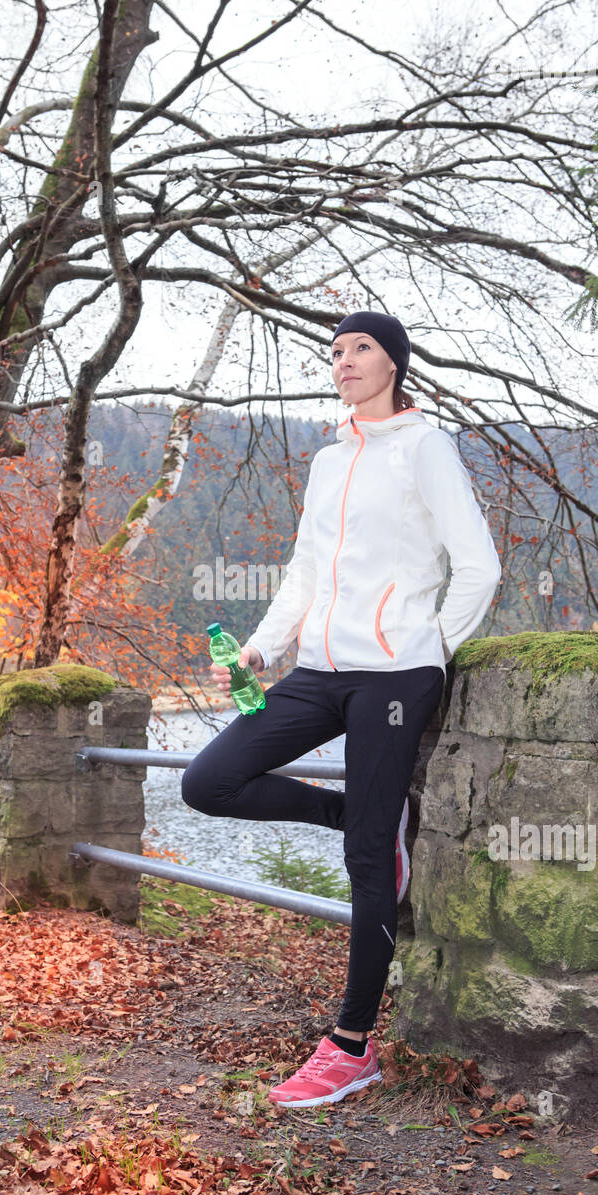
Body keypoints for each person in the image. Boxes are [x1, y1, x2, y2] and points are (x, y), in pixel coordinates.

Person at [180, 310, 502, 1108]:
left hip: (394, 677)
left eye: (361, 348)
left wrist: (427, 650)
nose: (345, 360)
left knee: (368, 864)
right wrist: (261, 646)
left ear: (393, 363)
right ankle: (352, 816)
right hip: (320, 669)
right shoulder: (328, 461)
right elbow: (305, 571)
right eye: (335, 351)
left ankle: (350, 1047)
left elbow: (480, 567)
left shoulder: (427, 446)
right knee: (208, 781)